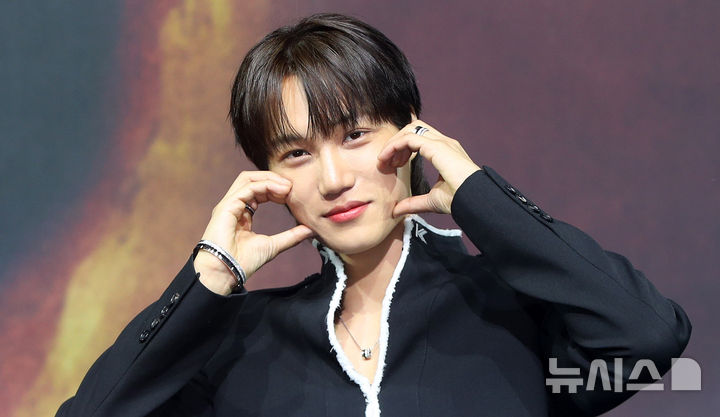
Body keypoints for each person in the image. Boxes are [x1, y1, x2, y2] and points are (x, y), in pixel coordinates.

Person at [56, 13, 691, 417]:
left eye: (355, 135)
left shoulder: (517, 317)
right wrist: (211, 275)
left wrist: (481, 198)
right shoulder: (239, 345)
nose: (333, 179)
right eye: (297, 153)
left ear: (412, 134)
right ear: (269, 179)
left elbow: (647, 338)